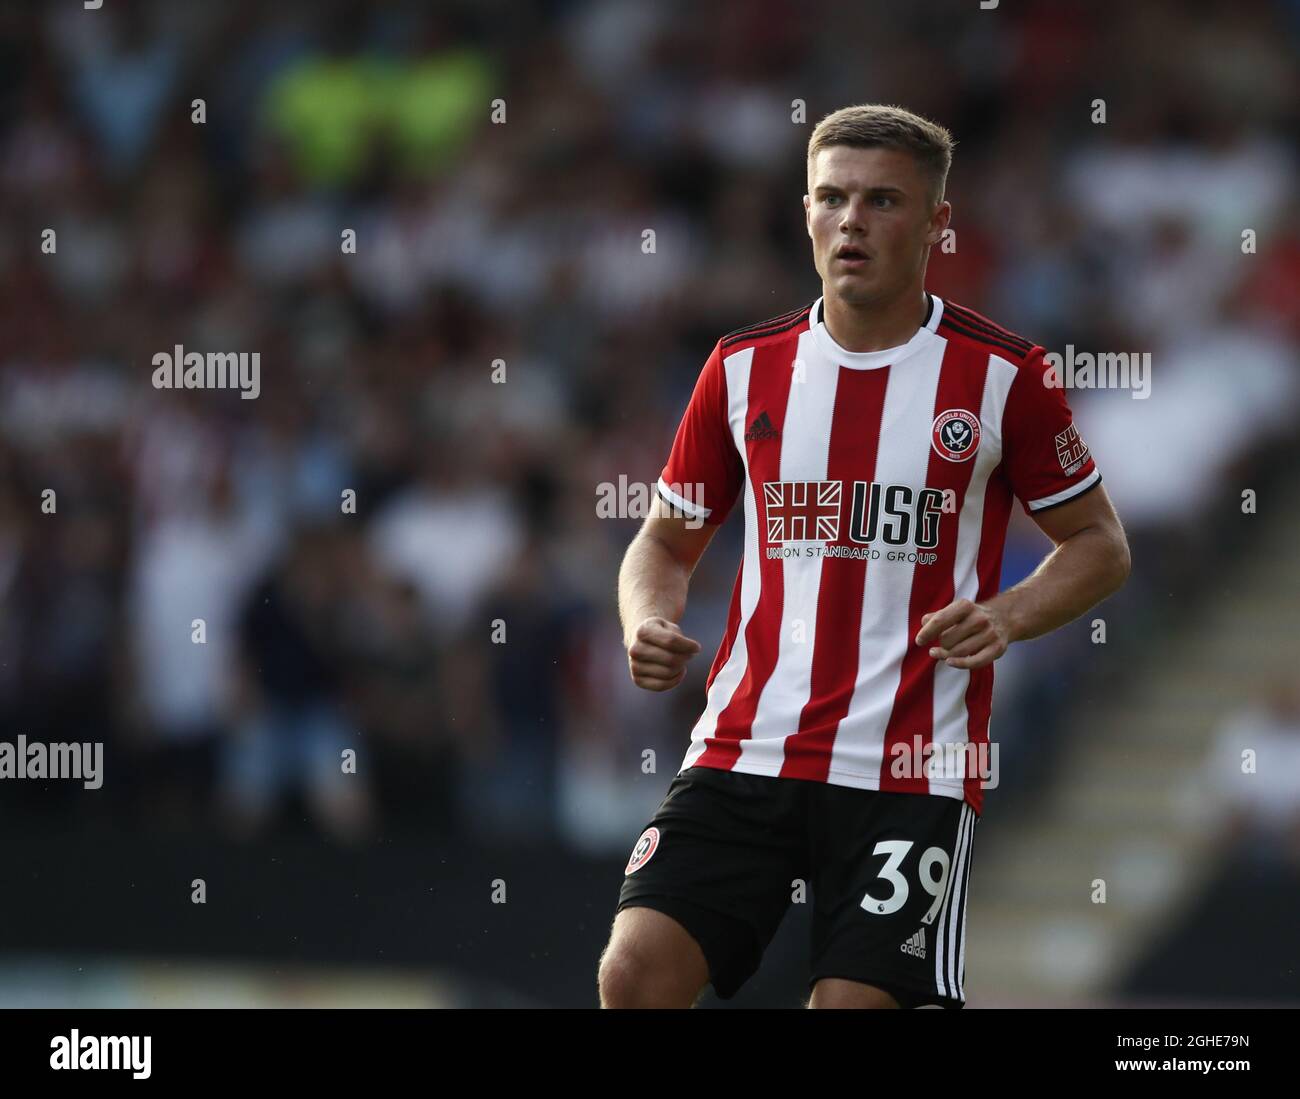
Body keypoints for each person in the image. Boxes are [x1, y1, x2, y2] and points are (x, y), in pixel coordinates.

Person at [598, 104, 1131, 1009]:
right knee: (634, 973)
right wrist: (646, 615)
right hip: (746, 747)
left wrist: (1006, 613)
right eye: (833, 198)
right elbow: (663, 538)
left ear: (937, 223)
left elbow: (1100, 544)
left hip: (910, 769)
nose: (852, 220)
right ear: (806, 212)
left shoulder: (1005, 377)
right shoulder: (740, 369)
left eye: (883, 200)